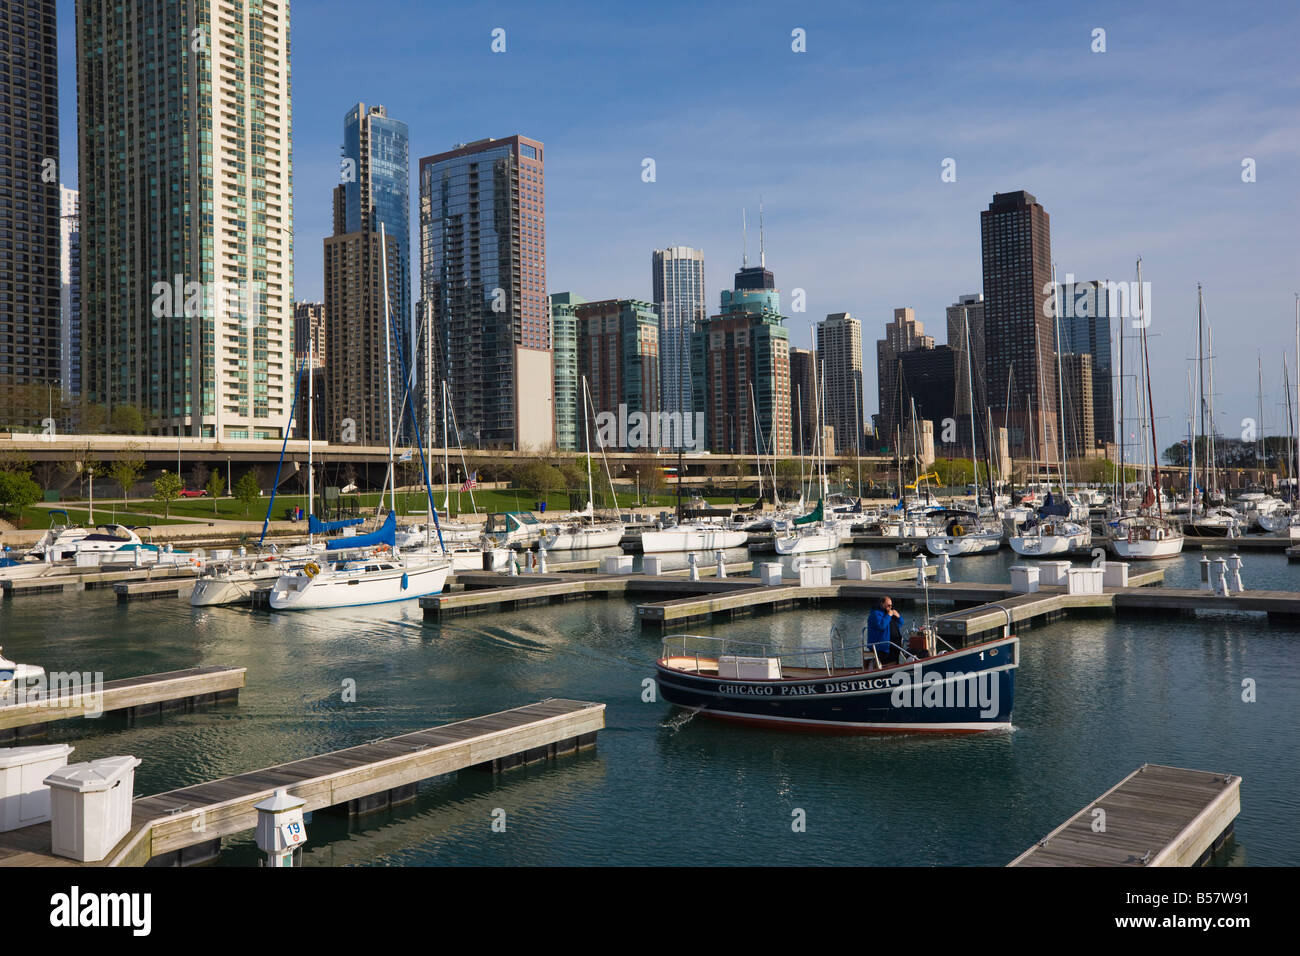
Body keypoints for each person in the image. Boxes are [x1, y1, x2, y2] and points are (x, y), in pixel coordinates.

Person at [866, 597, 903, 667]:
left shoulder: (888, 613)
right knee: (890, 661)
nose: (890, 607)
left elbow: (900, 624)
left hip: (893, 644)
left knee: (896, 658)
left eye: (891, 605)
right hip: (881, 646)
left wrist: (898, 616)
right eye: (888, 605)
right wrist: (889, 615)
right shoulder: (875, 614)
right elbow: (881, 625)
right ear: (882, 604)